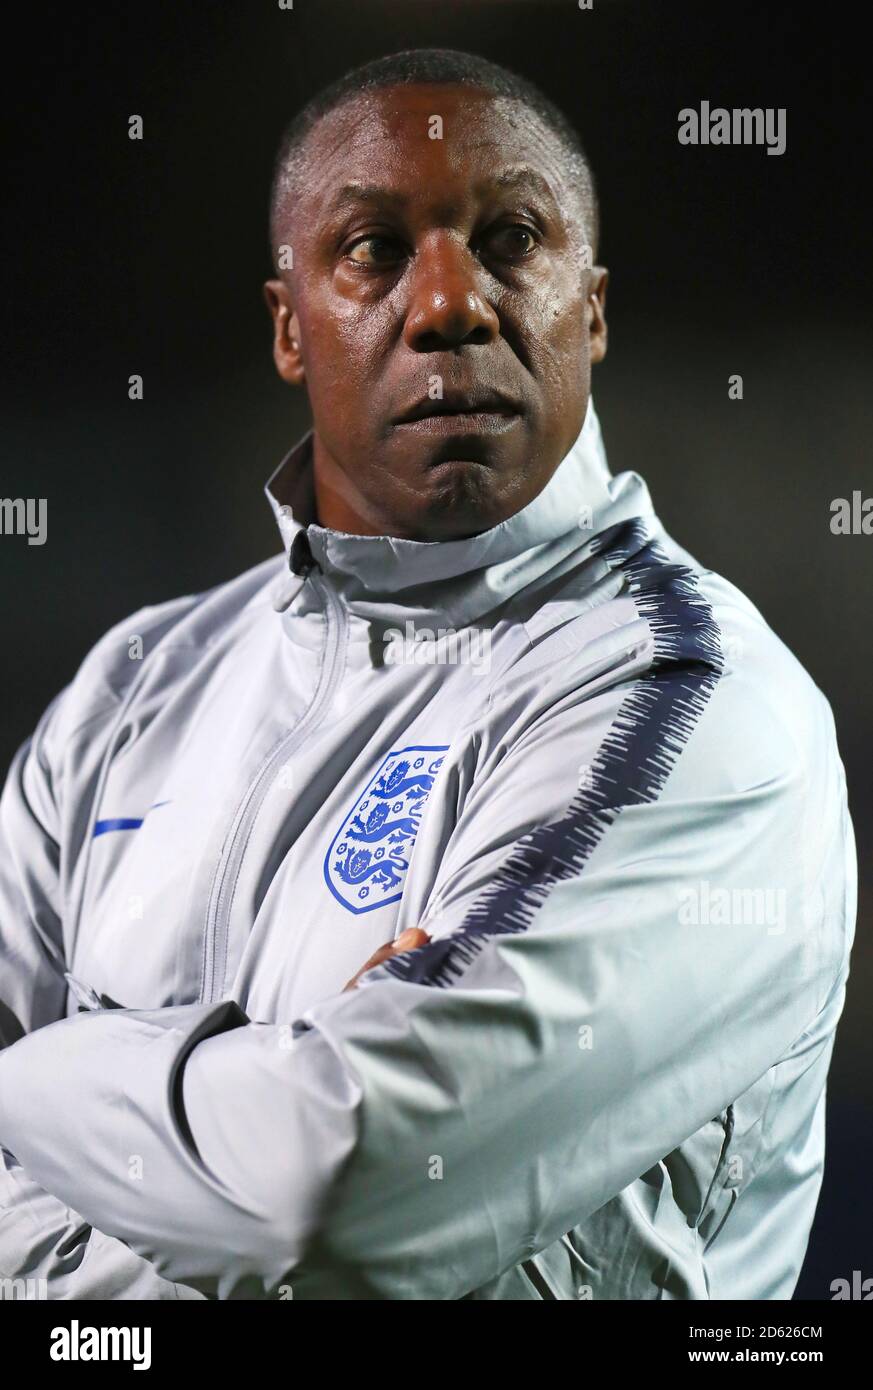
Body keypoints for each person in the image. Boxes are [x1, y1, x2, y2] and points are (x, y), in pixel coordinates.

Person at [0, 47, 856, 1301]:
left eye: (510, 236)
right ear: (291, 328)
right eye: (373, 249)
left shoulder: (702, 704)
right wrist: (250, 1087)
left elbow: (341, 1186)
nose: (450, 302)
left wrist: (39, 1081)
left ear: (595, 308)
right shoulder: (129, 692)